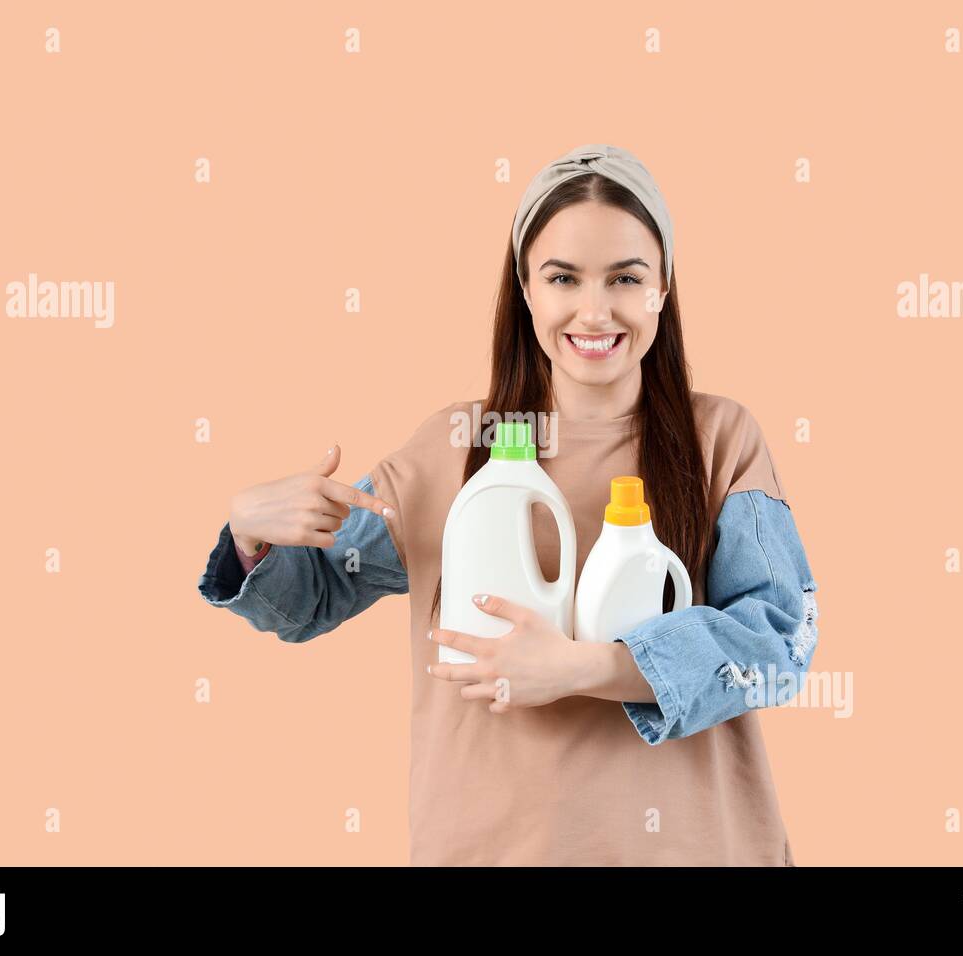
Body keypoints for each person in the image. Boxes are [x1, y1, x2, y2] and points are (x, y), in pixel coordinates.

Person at [198, 144, 820, 866]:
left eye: (626, 277)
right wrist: (252, 538)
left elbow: (778, 640)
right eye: (564, 278)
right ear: (527, 289)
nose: (595, 309)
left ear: (663, 287)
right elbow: (311, 600)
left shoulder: (720, 440)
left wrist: (589, 668)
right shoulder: (455, 448)